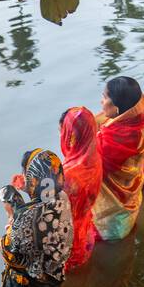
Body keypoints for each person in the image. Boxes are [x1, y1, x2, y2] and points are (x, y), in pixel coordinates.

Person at [0, 149, 74, 287]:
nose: (24, 177)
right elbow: (41, 201)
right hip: (54, 275)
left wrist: (12, 217)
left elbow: (10, 251)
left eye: (26, 175)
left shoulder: (27, 216)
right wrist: (26, 188)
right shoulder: (61, 197)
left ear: (34, 179)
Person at [93, 76, 144, 239]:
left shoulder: (114, 140)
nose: (101, 102)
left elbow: (90, 166)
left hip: (111, 214)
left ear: (117, 109)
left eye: (105, 97)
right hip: (131, 199)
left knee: (112, 248)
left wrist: (71, 136)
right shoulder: (137, 116)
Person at [58, 107, 102, 266]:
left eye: (63, 132)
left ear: (71, 136)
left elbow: (51, 214)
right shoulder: (94, 158)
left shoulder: (67, 177)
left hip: (69, 244)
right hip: (87, 232)